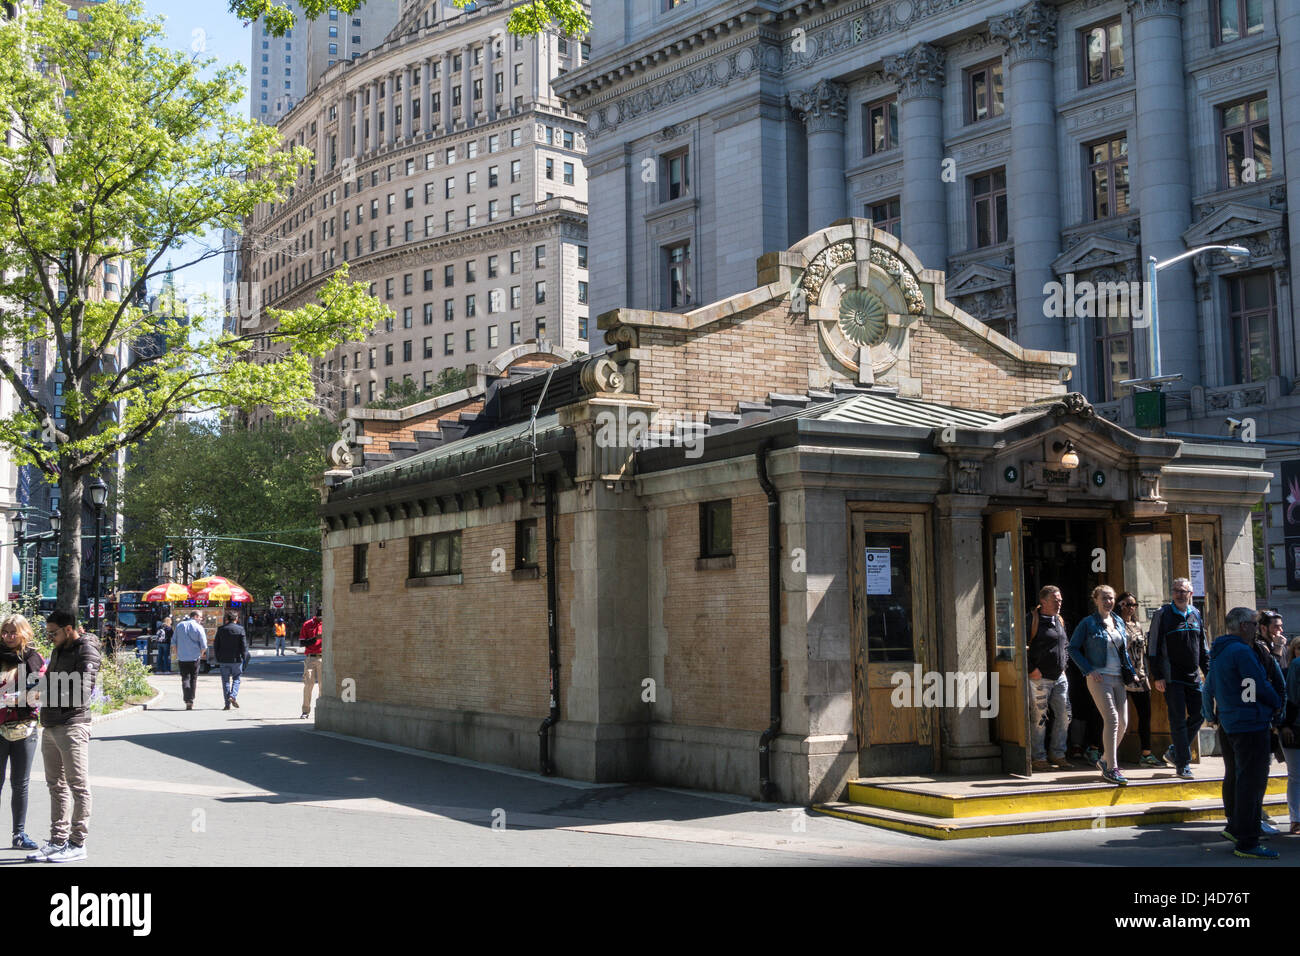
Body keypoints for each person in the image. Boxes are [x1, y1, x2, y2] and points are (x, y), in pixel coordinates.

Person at [1203, 607, 1282, 859]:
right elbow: (1257, 684)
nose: (1257, 627)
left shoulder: (1221, 650)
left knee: (1240, 778)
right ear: (1244, 626)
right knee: (1252, 783)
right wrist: (1276, 703)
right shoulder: (1242, 651)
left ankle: (1238, 829)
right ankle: (1248, 842)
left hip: (1232, 722)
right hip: (1250, 724)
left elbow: (1210, 687)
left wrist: (1213, 714)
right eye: (1254, 623)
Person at [27, 611, 100, 864]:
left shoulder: (87, 651)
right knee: (55, 785)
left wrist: (44, 695)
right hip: (50, 725)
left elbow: (81, 693)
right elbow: (49, 682)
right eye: (48, 633)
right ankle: (58, 840)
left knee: (78, 786)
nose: (50, 637)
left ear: (69, 629)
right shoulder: (58, 649)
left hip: (72, 726)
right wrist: (31, 693)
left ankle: (78, 843)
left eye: (53, 632)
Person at [1069, 585, 1135, 786]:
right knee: (1112, 719)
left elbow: (1124, 650)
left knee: (1123, 722)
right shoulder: (1088, 623)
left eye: (1111, 598)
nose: (1108, 602)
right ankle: (1111, 768)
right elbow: (1072, 648)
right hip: (1099, 677)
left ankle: (1105, 758)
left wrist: (1131, 671)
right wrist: (1088, 669)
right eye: (1104, 598)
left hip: (1118, 677)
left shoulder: (1118, 622)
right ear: (1095, 600)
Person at [1148, 577, 1208, 779]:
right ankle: (1183, 764)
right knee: (1177, 721)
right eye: (1177, 591)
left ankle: (1175, 752)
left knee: (1200, 714)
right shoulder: (1162, 614)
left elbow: (1203, 647)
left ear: (1191, 594)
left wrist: (1209, 674)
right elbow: (1153, 646)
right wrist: (1157, 675)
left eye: (1184, 591)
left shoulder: (1196, 614)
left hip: (1194, 676)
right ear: (1172, 593)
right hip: (1172, 677)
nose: (1181, 594)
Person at [0, 614, 44, 851]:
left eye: (13, 632)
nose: (8, 637)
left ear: (24, 633)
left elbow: (44, 693)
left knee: (20, 783)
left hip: (25, 727)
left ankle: (19, 834)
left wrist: (19, 698)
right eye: (5, 632)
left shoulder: (34, 659)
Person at [1026, 586, 1071, 771]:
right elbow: (1018, 645)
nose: (1059, 603)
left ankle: (1058, 754)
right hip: (1039, 678)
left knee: (1065, 715)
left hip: (1059, 677)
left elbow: (1065, 645)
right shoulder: (1032, 620)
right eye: (1055, 600)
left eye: (1060, 600)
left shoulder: (1059, 619)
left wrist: (1064, 667)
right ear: (1043, 601)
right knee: (1039, 718)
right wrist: (1031, 669)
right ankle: (1038, 757)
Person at [1116, 591, 1163, 768]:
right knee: (1118, 717)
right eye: (1127, 604)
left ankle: (1146, 753)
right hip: (1122, 675)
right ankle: (1104, 752)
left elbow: (1144, 650)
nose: (1130, 608)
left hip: (1140, 675)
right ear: (1119, 605)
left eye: (1134, 605)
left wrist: (1148, 672)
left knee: (1145, 715)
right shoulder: (1115, 623)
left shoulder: (1137, 625)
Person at [1281, 635, 1300, 835]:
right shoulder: (1290, 670)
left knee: (1296, 776)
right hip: (1293, 727)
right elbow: (1289, 698)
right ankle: (1296, 820)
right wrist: (1284, 725)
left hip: (1292, 726)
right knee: (1296, 776)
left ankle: (1296, 819)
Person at [213, 612, 249, 711]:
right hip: (236, 659)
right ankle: (233, 696)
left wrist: (218, 657)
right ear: (236, 619)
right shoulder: (240, 629)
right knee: (236, 679)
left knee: (225, 681)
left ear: (227, 619)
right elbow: (244, 646)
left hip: (223, 659)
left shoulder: (221, 629)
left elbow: (216, 645)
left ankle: (227, 704)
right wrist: (244, 657)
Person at [174, 611, 208, 711]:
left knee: (185, 678)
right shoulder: (199, 627)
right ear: (196, 616)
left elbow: (173, 642)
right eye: (201, 617)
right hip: (194, 658)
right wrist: (201, 655)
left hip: (182, 657)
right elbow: (204, 645)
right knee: (193, 679)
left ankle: (187, 699)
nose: (201, 619)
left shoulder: (179, 625)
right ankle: (191, 700)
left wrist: (177, 654)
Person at [300, 610, 323, 719]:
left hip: (323, 657)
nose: (321, 620)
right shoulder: (307, 624)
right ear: (317, 616)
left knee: (323, 686)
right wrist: (315, 639)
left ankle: (322, 710)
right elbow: (302, 642)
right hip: (310, 657)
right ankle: (305, 710)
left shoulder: (326, 623)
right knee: (308, 684)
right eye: (320, 618)